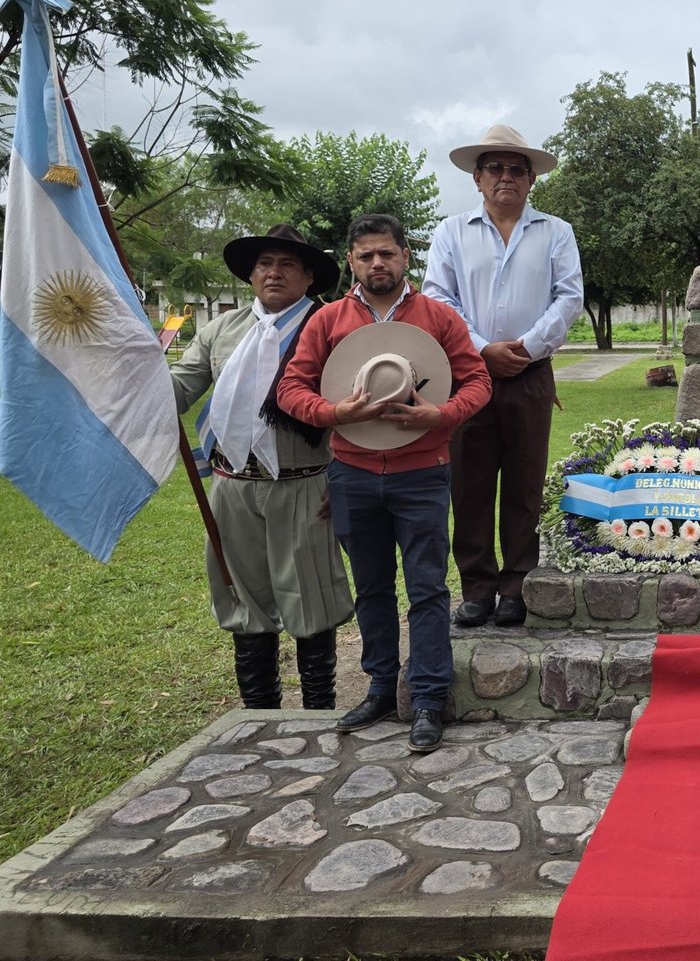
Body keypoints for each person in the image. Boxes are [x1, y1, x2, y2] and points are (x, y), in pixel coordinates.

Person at [278, 213, 492, 752]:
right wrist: (332, 412)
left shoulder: (438, 317)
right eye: (367, 254)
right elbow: (290, 389)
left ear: (405, 257)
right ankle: (378, 686)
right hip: (351, 473)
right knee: (371, 586)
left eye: (388, 253)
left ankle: (426, 698)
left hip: (422, 473)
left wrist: (439, 416)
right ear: (351, 259)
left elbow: (478, 380)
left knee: (427, 588)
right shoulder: (326, 321)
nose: (378, 263)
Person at [170, 224, 351, 710]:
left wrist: (346, 477)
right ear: (251, 274)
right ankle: (259, 716)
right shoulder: (221, 331)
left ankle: (318, 714)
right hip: (232, 486)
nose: (274, 272)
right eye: (265, 264)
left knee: (310, 598)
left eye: (288, 264)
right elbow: (180, 389)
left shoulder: (330, 326)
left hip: (305, 484)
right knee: (244, 603)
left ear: (308, 277)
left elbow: (355, 408)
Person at [423, 124, 583, 629]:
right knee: (469, 483)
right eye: (495, 168)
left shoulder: (555, 231)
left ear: (532, 179)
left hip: (530, 375)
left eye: (517, 169)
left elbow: (569, 296)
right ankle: (476, 586)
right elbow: (437, 298)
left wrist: (528, 347)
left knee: (524, 481)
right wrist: (482, 350)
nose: (506, 177)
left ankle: (516, 584)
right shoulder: (451, 232)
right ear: (477, 178)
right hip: (468, 376)